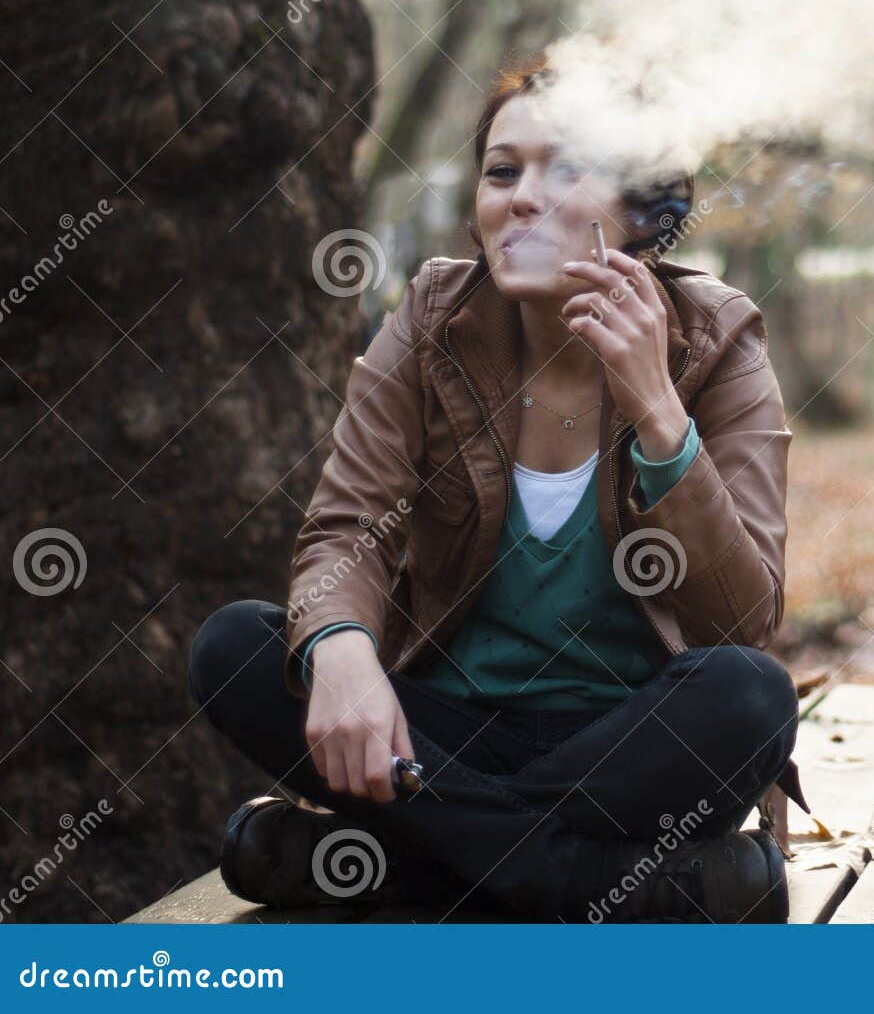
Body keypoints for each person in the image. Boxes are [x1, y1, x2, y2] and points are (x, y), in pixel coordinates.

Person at [187, 52, 804, 923]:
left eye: (568, 168)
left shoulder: (717, 338)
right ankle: (599, 881)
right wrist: (341, 646)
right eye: (502, 171)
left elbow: (741, 620)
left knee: (750, 694)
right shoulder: (433, 317)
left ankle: (405, 862)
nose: (521, 196)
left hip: (631, 745)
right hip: (438, 731)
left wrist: (661, 415)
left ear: (639, 215)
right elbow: (346, 527)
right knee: (236, 648)